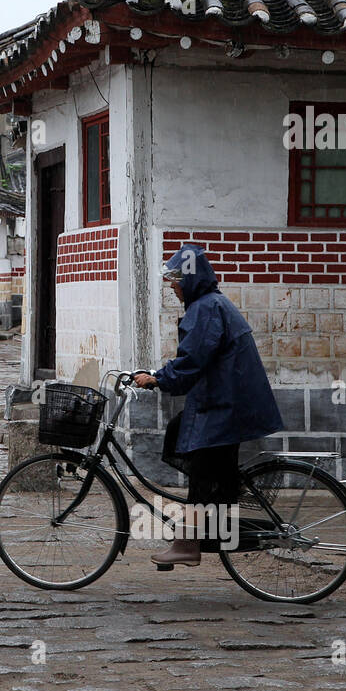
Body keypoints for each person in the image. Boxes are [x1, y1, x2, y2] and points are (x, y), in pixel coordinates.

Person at [133, 243, 283, 567]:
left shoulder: (205, 308)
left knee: (202, 467)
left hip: (225, 405)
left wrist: (159, 379)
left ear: (189, 279)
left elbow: (192, 360)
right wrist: (162, 376)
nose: (173, 287)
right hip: (225, 401)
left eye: (176, 280)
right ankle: (215, 513)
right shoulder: (210, 304)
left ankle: (189, 541)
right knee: (180, 435)